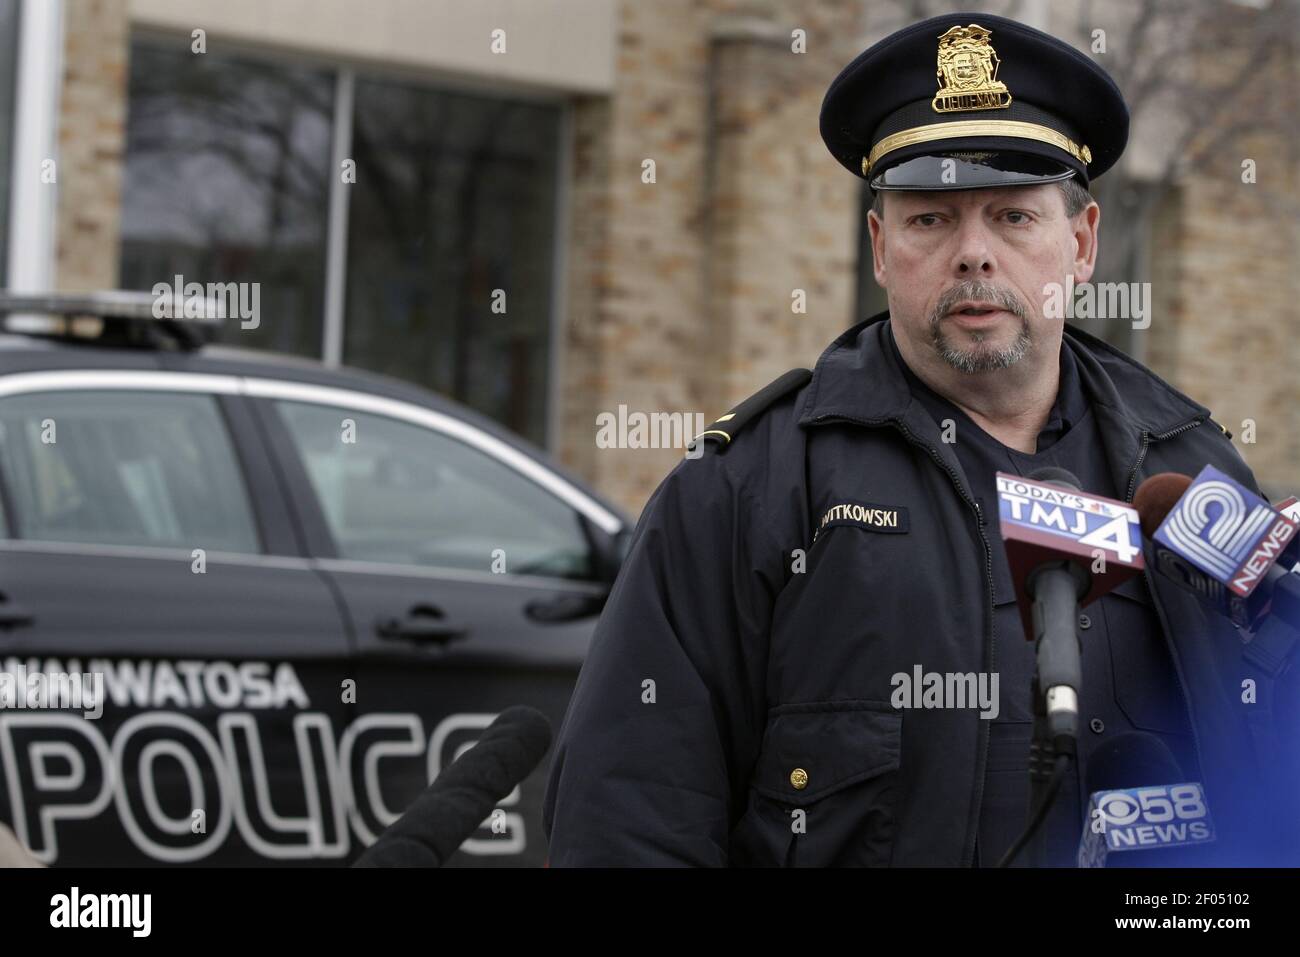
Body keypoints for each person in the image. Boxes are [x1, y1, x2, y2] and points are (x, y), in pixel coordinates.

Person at [543, 11, 1297, 866]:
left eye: (1013, 217)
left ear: (1081, 244)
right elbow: (627, 817)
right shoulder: (748, 492)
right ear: (879, 245)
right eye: (930, 220)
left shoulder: (1191, 475)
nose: (973, 254)